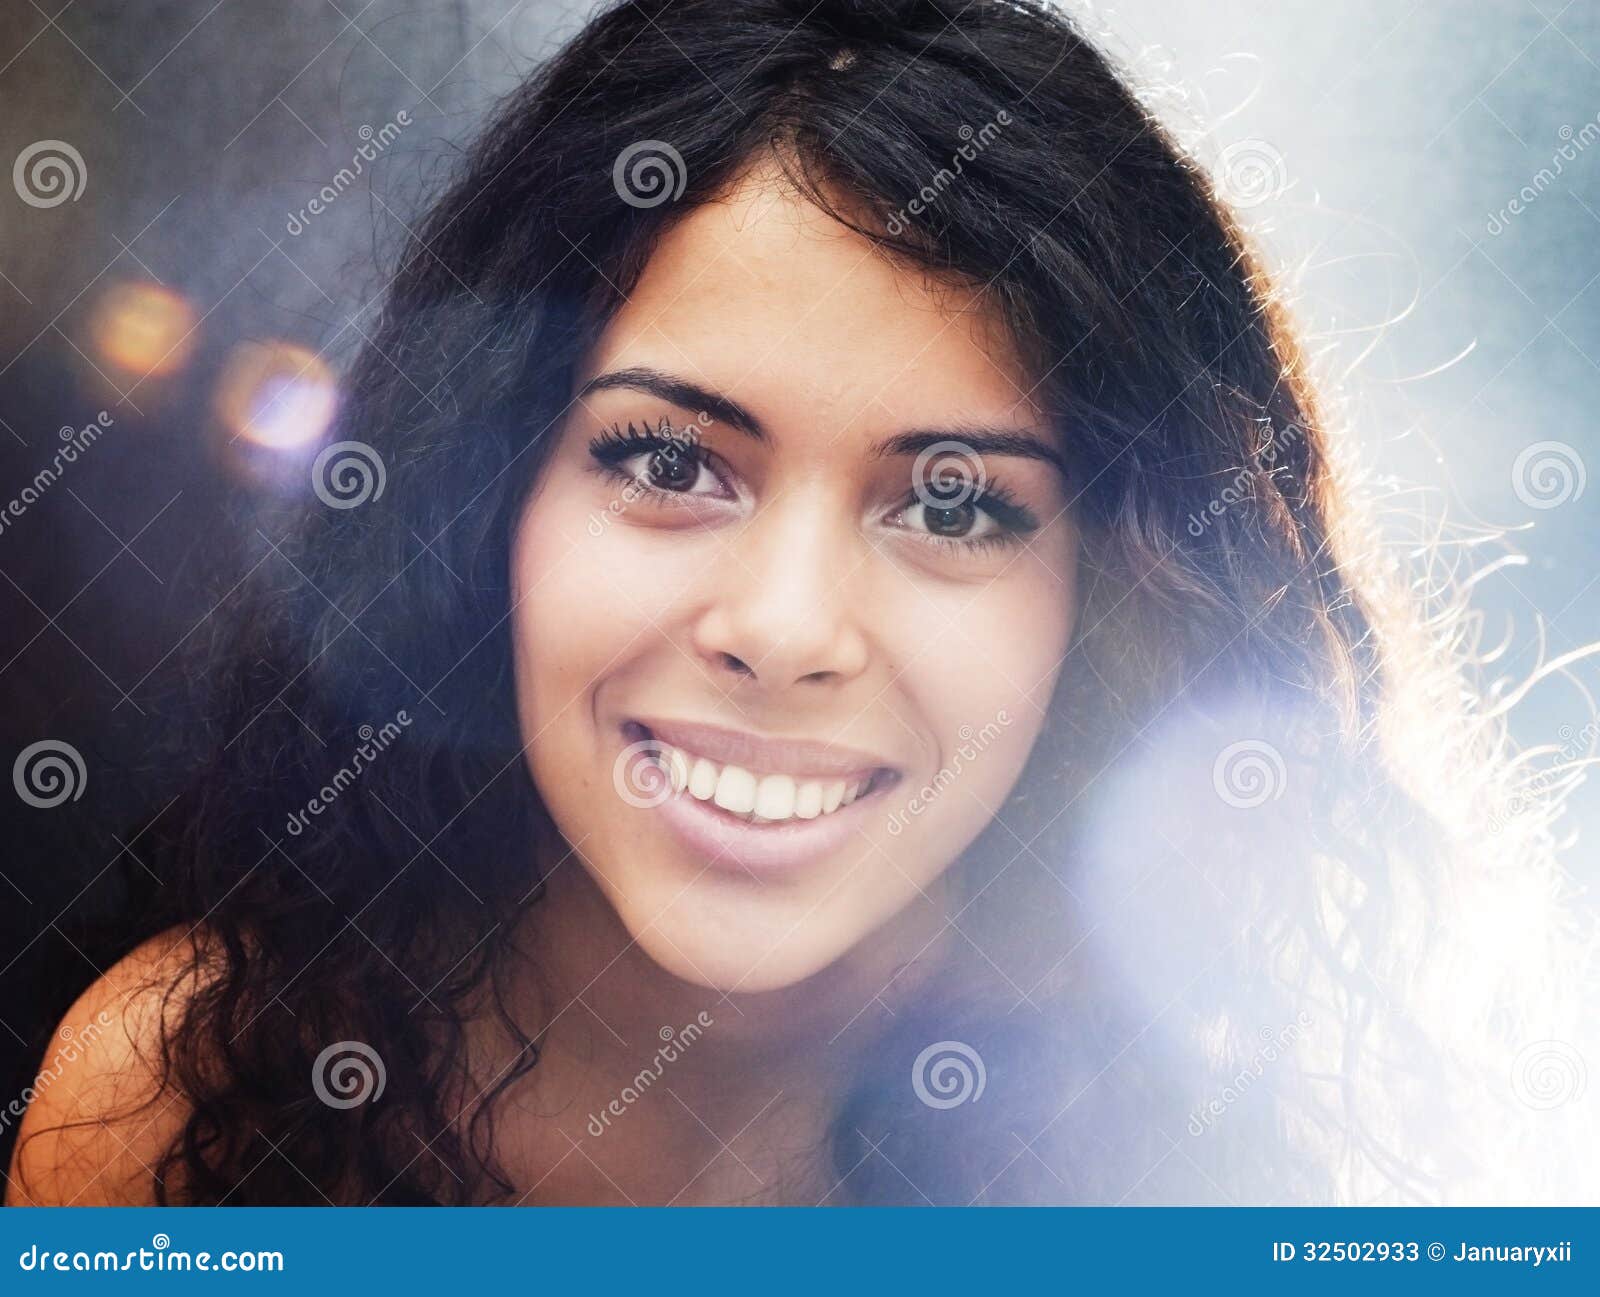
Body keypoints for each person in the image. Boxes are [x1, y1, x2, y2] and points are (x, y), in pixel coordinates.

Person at [9, 0, 1592, 1207]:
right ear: (486, 497)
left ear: (1099, 594)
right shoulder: (175, 1108)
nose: (783, 624)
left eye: (955, 502)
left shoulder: (1238, 1158)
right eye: (671, 462)